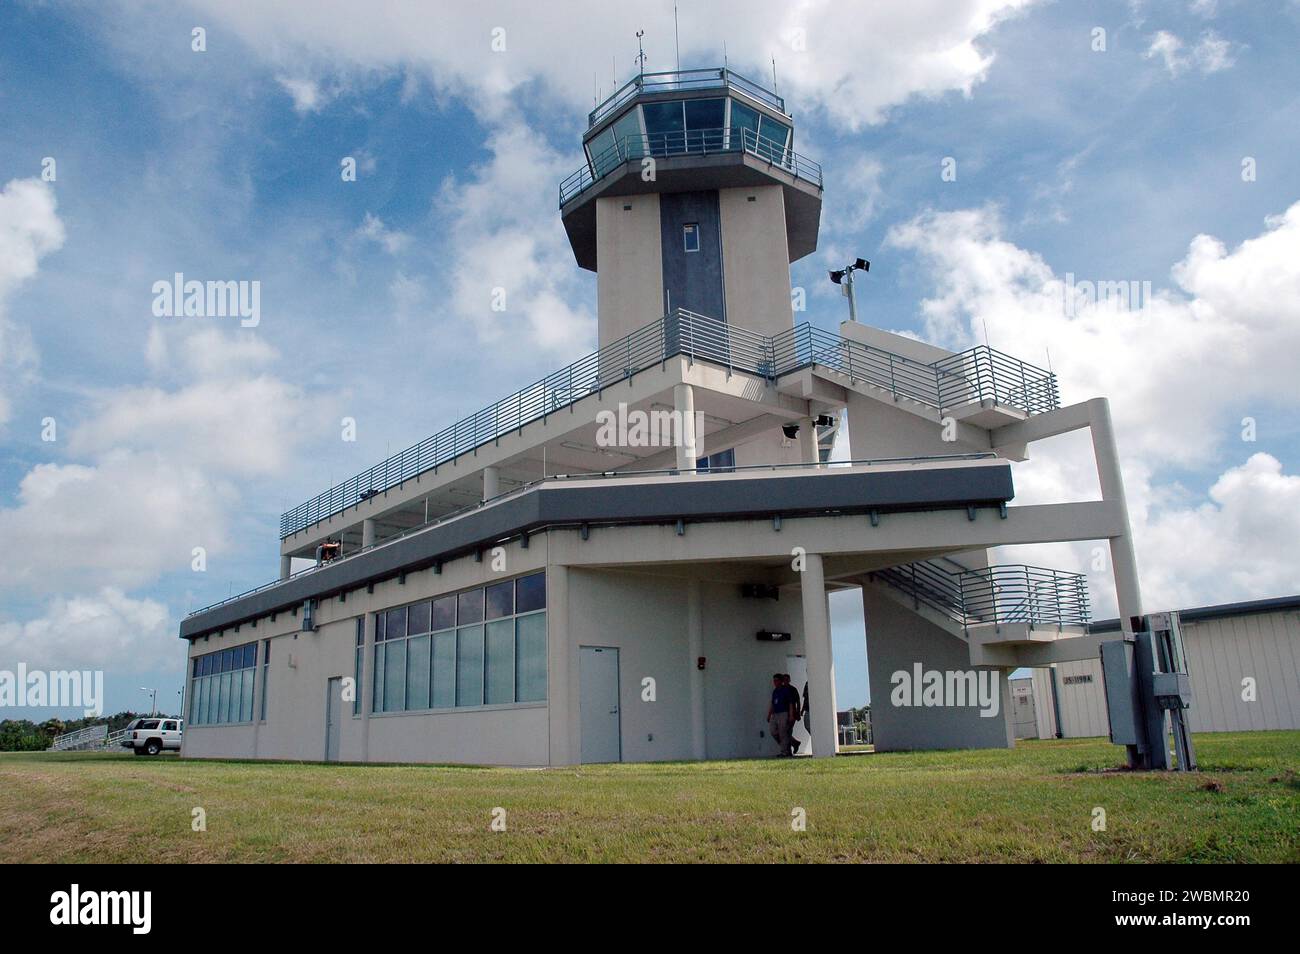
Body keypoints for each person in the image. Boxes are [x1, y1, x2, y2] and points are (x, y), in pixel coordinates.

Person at [766, 673, 796, 757]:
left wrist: (791, 715)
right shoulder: (775, 691)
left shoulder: (786, 690)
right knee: (773, 731)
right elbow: (772, 703)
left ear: (781, 681)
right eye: (774, 680)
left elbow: (790, 703)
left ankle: (785, 752)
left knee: (783, 732)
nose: (775, 682)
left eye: (776, 680)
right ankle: (789, 744)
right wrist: (769, 715)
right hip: (775, 714)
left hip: (784, 713)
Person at [782, 674, 803, 754]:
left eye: (787, 679)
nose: (786, 681)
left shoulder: (793, 689)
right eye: (784, 679)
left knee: (788, 731)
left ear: (789, 680)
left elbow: (798, 701)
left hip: (792, 713)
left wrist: (798, 712)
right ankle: (795, 743)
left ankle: (789, 750)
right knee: (784, 732)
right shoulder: (781, 689)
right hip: (783, 712)